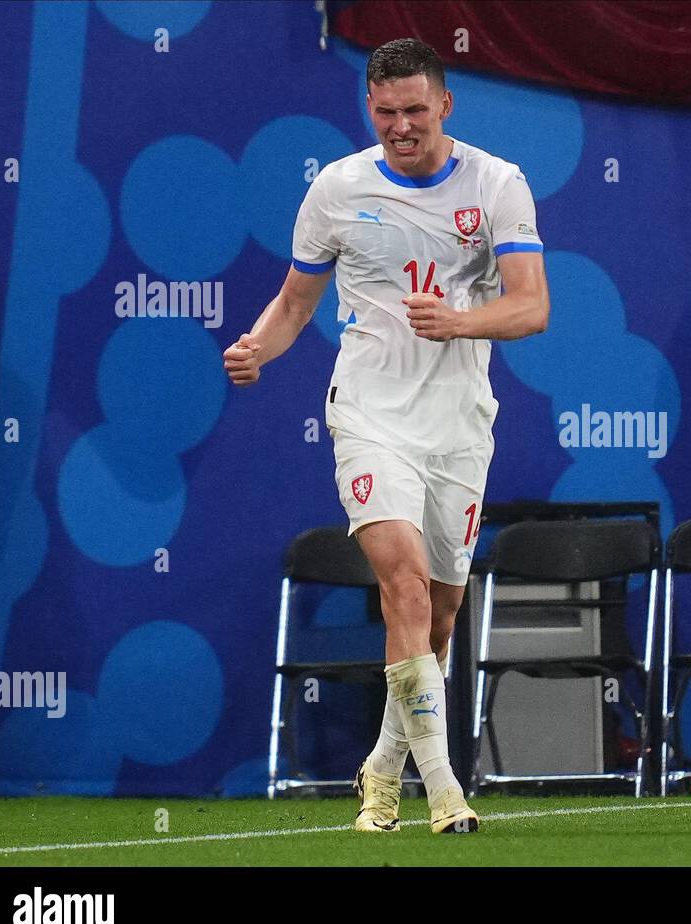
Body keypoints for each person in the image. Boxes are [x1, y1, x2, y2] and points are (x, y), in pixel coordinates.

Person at [223, 38, 549, 832]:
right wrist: (258, 347)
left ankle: (383, 763)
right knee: (400, 585)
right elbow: (296, 301)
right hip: (368, 415)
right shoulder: (336, 189)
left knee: (437, 615)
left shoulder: (498, 184)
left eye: (415, 109)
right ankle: (444, 792)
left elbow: (532, 306)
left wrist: (461, 321)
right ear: (371, 110)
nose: (401, 125)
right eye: (386, 111)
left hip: (460, 426)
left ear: (444, 105)